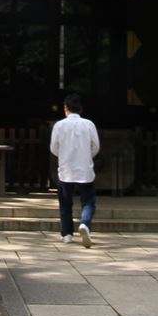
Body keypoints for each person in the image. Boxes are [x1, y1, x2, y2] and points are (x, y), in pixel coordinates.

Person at [50, 92, 100, 247]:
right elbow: (95, 146)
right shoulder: (89, 124)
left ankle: (67, 234)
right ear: (81, 109)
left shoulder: (59, 125)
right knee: (88, 202)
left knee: (65, 203)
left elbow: (54, 148)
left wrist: (63, 156)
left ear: (66, 108)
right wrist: (87, 156)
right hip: (85, 169)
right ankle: (84, 223)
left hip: (66, 169)